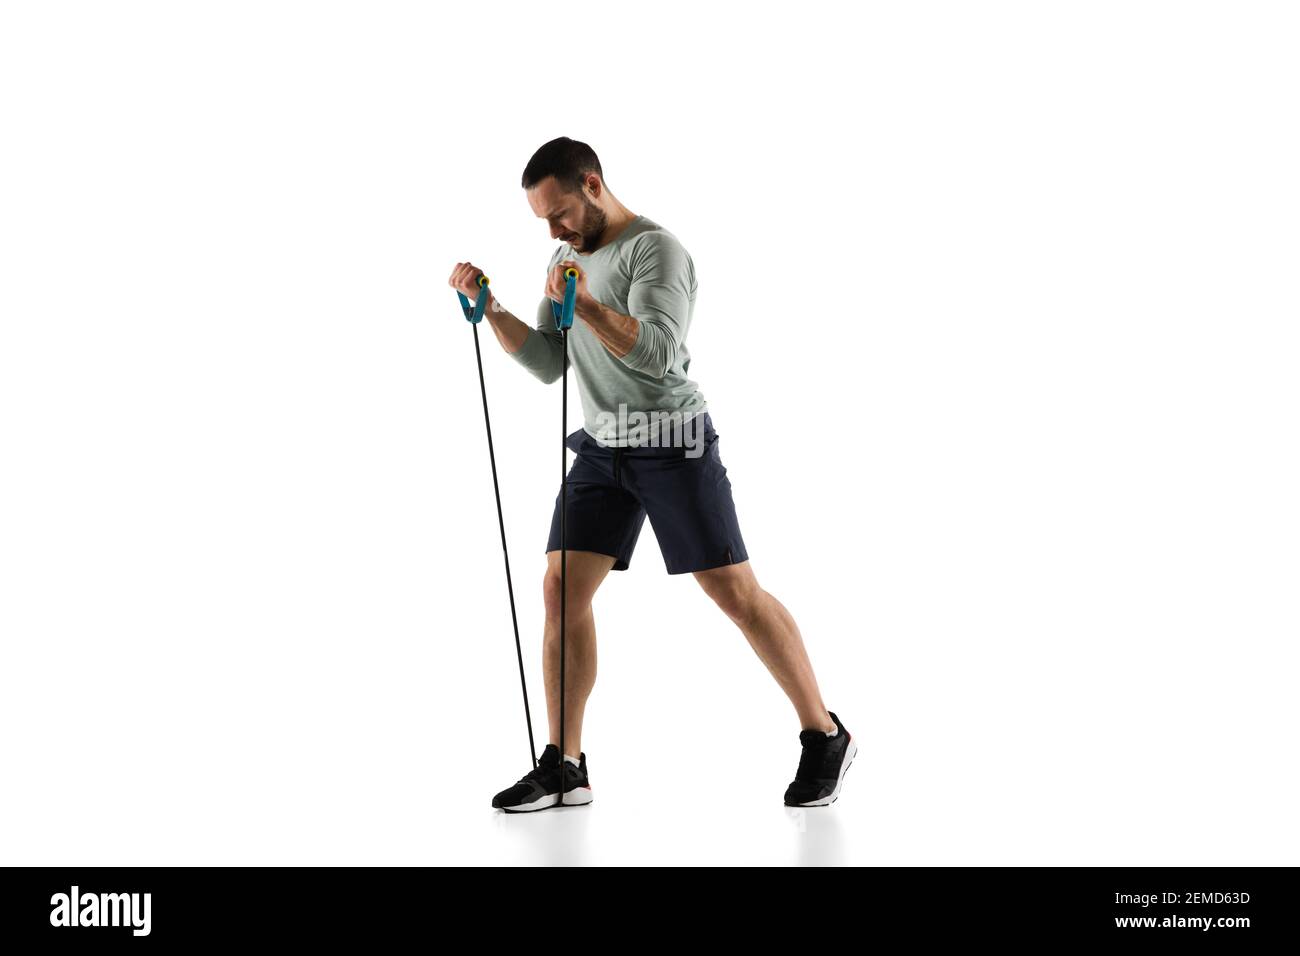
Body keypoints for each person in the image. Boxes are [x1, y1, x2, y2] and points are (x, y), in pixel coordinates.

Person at [448, 136, 855, 811]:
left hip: (671, 441)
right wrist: (492, 309)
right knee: (560, 589)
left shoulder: (656, 251)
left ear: (592, 185)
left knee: (733, 592)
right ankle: (566, 764)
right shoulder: (563, 257)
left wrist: (586, 301)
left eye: (560, 214)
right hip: (603, 449)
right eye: (543, 222)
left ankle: (826, 733)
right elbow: (552, 361)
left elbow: (659, 355)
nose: (553, 231)